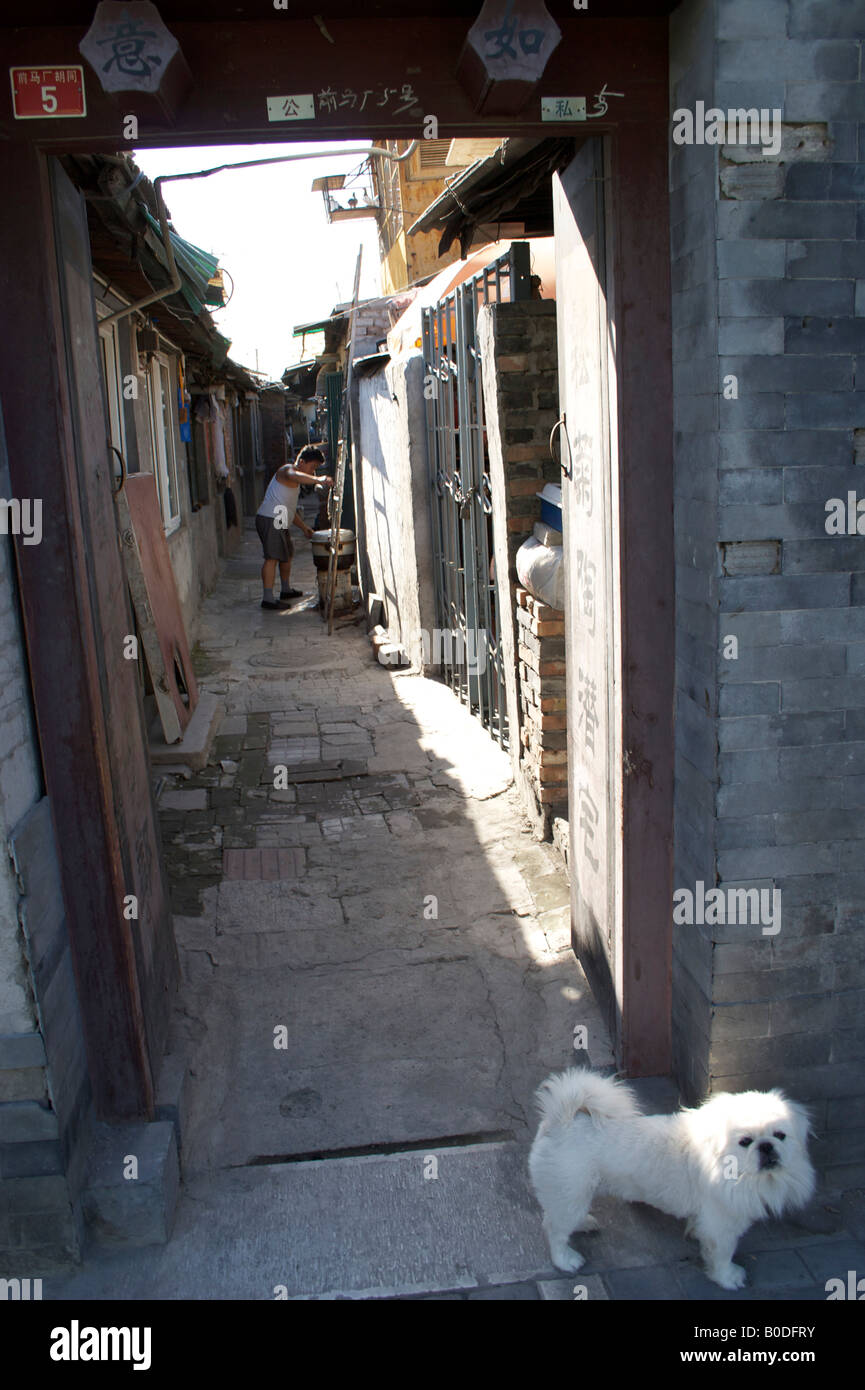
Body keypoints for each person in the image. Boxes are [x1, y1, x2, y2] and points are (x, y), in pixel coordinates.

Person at [255, 445, 332, 609]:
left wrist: (305, 528)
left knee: (287, 554)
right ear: (302, 461)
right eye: (312, 467)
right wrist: (319, 480)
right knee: (272, 557)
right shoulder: (287, 470)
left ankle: (285, 589)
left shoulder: (295, 484)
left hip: (280, 514)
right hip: (270, 516)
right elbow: (295, 475)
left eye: (316, 469)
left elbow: (290, 510)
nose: (313, 472)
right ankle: (267, 598)